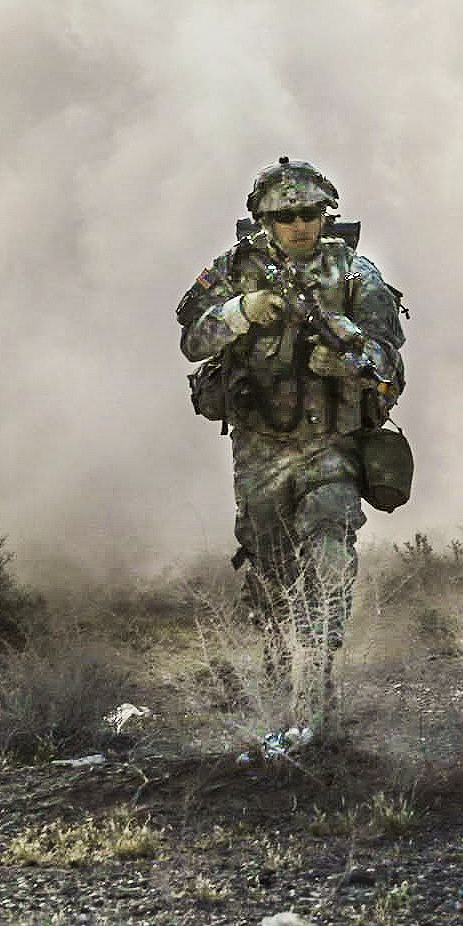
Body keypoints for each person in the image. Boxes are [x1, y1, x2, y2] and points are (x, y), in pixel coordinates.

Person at [176, 157, 407, 727]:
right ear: (264, 219)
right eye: (288, 216)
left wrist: (352, 355)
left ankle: (318, 676)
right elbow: (191, 341)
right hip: (259, 448)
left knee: (330, 554)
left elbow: (390, 363)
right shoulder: (233, 269)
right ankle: (283, 671)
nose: (302, 224)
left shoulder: (355, 274)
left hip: (329, 444)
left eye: (311, 213)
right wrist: (239, 312)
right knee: (271, 570)